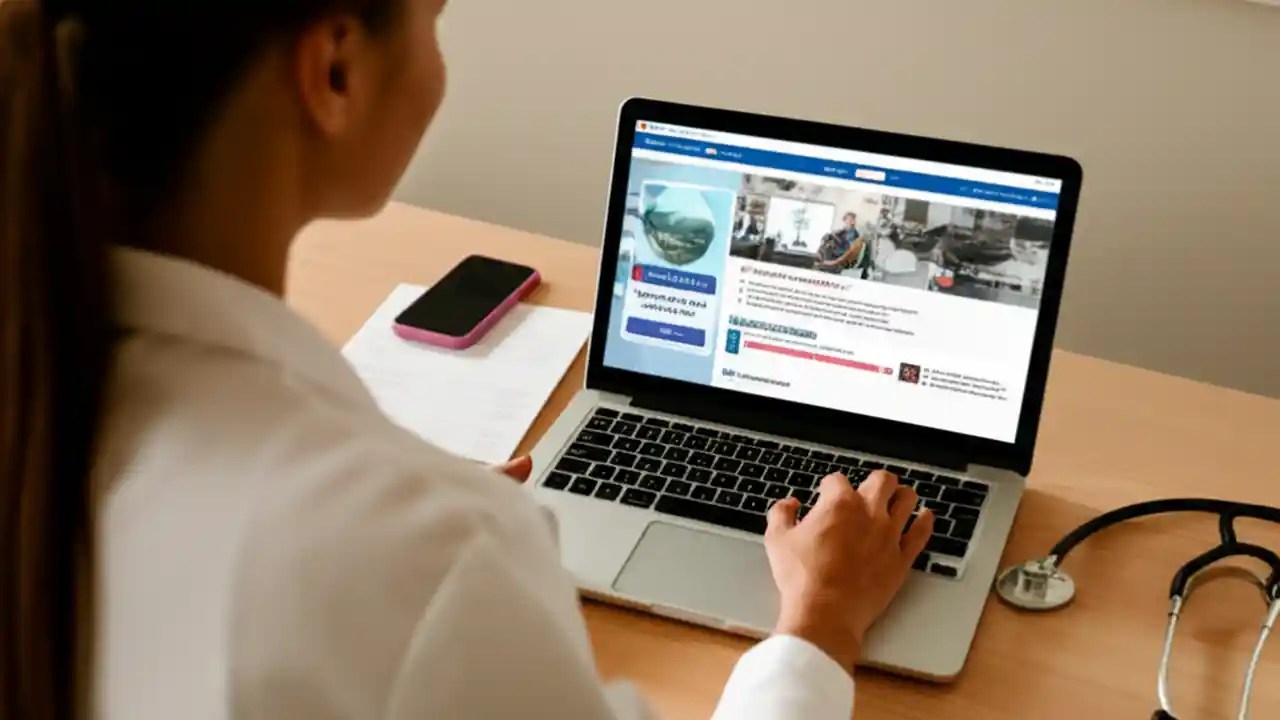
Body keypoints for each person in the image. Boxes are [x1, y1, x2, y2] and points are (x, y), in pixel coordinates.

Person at [0, 1, 935, 719]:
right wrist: (818, 626)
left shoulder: (42, 400)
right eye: (433, 18)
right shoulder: (425, 557)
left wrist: (412, 521)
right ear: (333, 70)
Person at [819, 211, 871, 277]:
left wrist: (835, 242)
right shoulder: (844, 231)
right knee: (826, 241)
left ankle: (828, 267)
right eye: (847, 219)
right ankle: (824, 264)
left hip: (843, 254)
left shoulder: (852, 233)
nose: (848, 221)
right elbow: (838, 236)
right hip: (836, 251)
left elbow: (849, 248)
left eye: (851, 219)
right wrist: (831, 236)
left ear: (853, 222)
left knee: (829, 246)